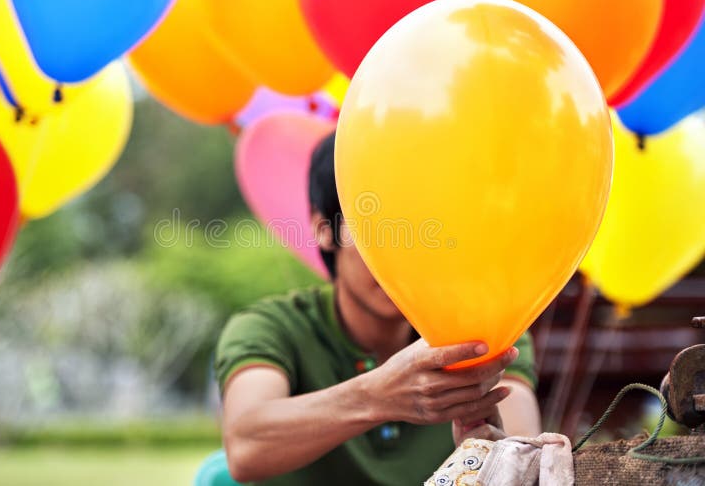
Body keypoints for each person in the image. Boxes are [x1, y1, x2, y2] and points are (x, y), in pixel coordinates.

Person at [215, 132, 541, 485]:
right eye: (377, 227)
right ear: (323, 227)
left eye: (420, 227)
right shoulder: (271, 328)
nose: (398, 255)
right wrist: (378, 397)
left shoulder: (484, 330)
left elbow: (524, 455)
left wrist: (490, 459)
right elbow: (245, 445)